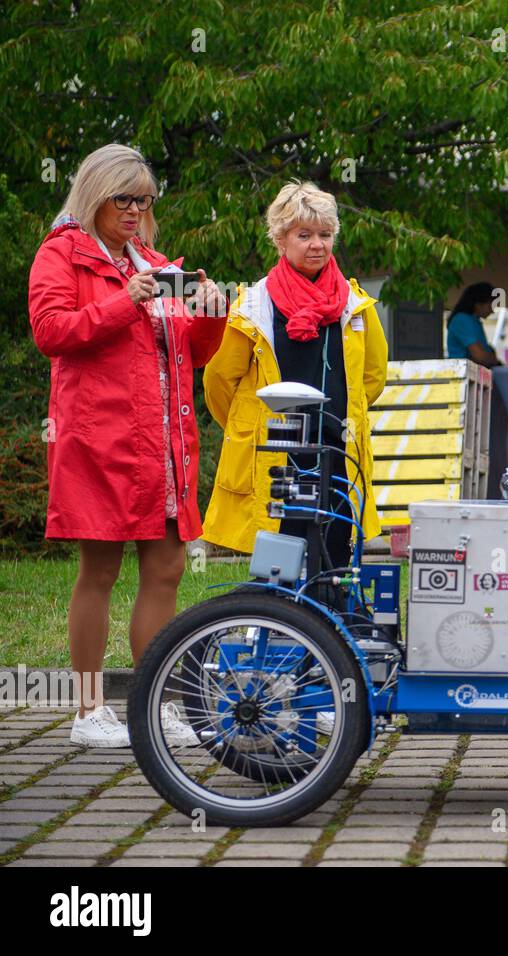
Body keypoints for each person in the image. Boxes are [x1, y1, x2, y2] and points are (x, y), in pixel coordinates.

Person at [28, 143, 227, 747]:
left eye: (143, 199)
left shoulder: (155, 260)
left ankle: (153, 702)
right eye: (124, 198)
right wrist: (124, 299)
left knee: (166, 565)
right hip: (98, 439)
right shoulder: (61, 254)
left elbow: (189, 353)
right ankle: (88, 711)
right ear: (95, 195)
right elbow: (51, 332)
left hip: (161, 442)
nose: (136, 209)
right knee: (100, 568)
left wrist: (210, 313)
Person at [203, 181, 388, 597]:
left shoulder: (354, 305)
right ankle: (274, 630)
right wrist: (249, 424)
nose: (317, 244)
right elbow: (218, 381)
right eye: (304, 235)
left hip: (338, 453)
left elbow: (372, 376)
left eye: (324, 234)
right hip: (275, 454)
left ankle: (333, 632)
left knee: (337, 560)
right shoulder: (252, 305)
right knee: (276, 566)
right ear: (280, 239)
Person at [445, 282, 501, 367]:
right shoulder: (463, 320)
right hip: (462, 373)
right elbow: (479, 356)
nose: (492, 311)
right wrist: (493, 359)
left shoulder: (473, 320)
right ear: (478, 304)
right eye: (490, 306)